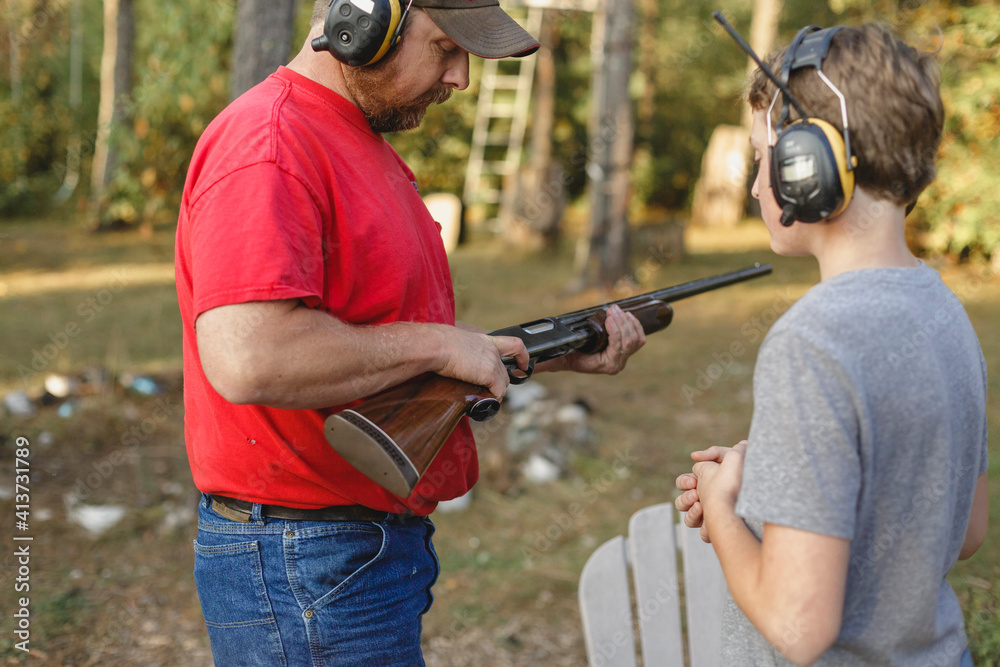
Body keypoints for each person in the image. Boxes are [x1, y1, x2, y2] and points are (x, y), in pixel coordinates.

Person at [174, 0, 647, 664]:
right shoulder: (271, 142)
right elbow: (249, 355)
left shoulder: (354, 141)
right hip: (307, 557)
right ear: (364, 21)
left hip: (348, 552)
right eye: (446, 48)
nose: (461, 79)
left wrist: (548, 354)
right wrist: (437, 342)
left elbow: (374, 345)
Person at [674, 23, 989, 666]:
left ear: (809, 165)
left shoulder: (813, 341)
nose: (758, 186)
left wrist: (723, 506)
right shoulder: (944, 310)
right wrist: (778, 474)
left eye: (766, 157)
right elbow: (966, 533)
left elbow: (798, 626)